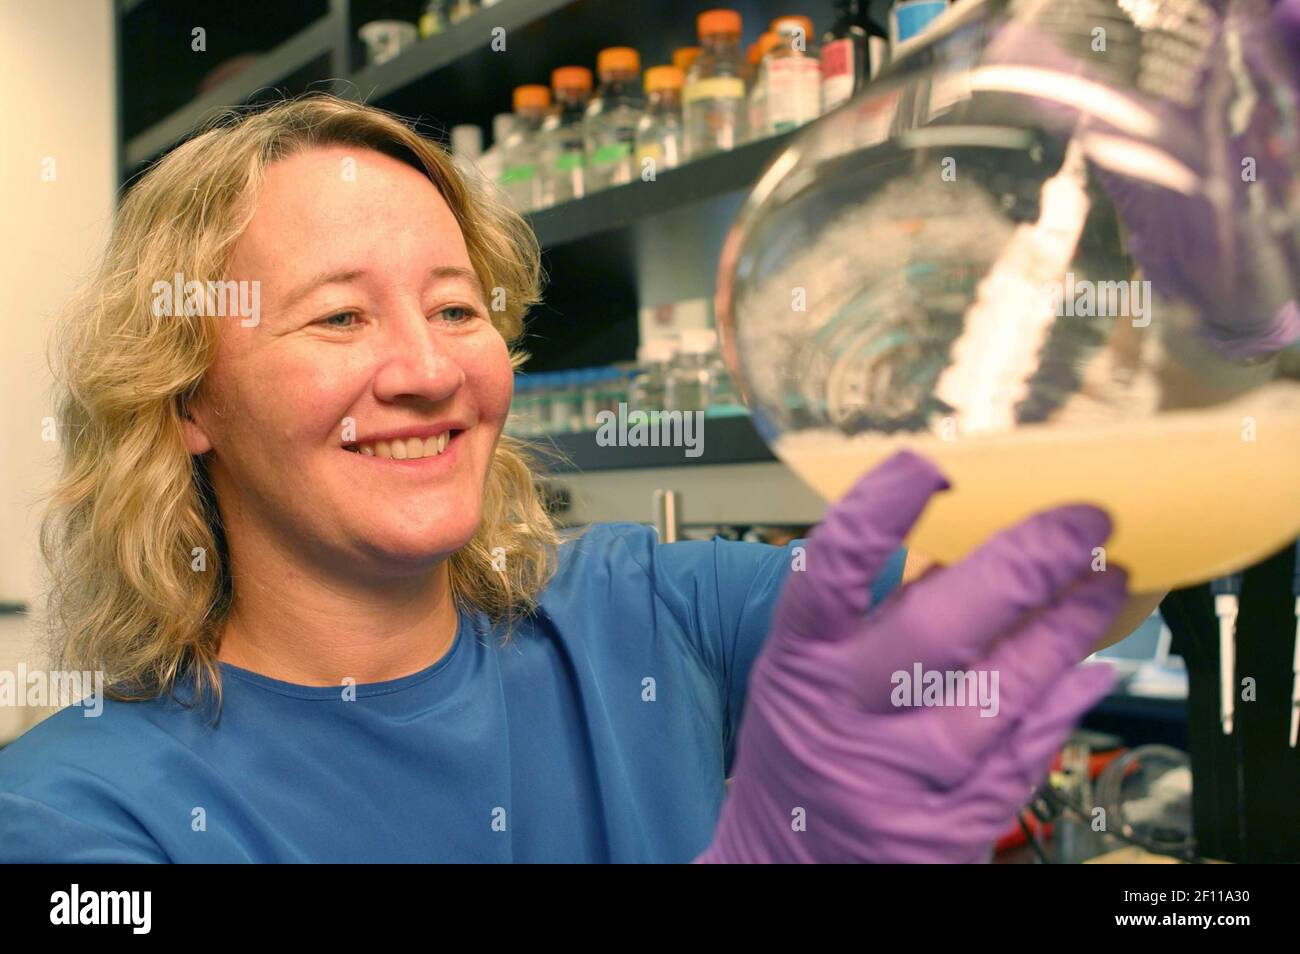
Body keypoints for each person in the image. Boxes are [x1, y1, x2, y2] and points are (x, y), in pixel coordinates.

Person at [0, 95, 1149, 863]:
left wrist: (1180, 313)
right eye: (340, 315)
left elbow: (1073, 555)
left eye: (458, 308)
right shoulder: (81, 815)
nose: (430, 369)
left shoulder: (651, 614)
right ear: (189, 396)